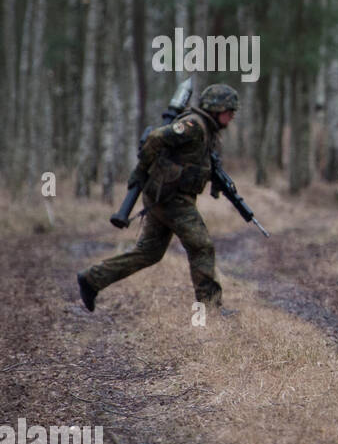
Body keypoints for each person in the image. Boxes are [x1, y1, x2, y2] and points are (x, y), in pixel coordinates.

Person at [77, 83, 240, 313]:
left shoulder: (208, 130)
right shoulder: (193, 125)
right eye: (229, 110)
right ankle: (210, 308)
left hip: (166, 196)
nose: (232, 116)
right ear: (216, 107)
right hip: (170, 198)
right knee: (202, 246)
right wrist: (140, 171)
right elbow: (155, 138)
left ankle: (92, 279)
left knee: (149, 253)